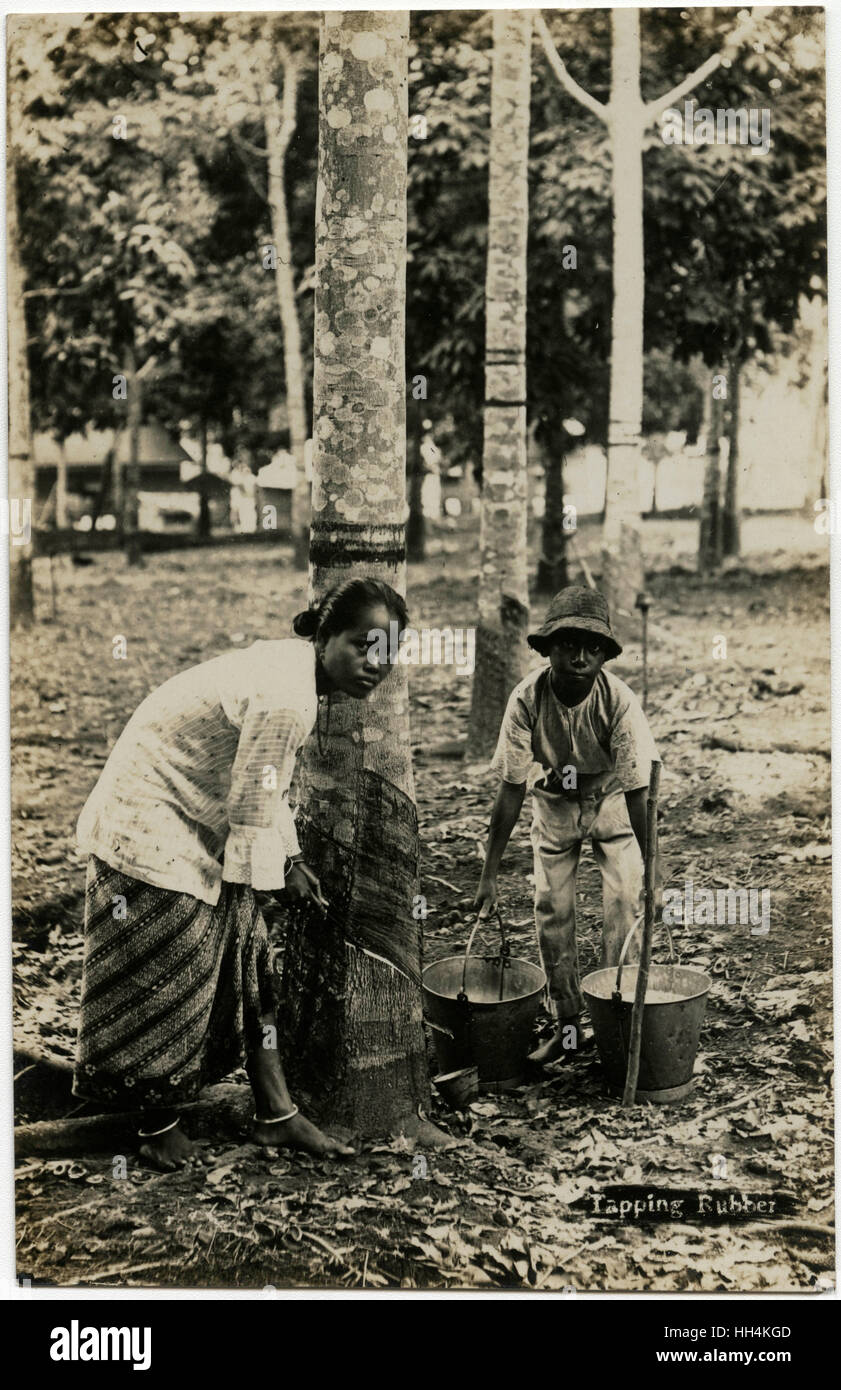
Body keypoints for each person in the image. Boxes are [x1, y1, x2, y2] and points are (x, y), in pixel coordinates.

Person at [73, 576, 408, 1168]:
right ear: (325, 635)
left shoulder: (296, 678)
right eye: (362, 644)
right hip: (148, 819)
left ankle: (277, 1114)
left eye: (387, 651)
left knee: (252, 967)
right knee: (172, 972)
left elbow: (265, 789)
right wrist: (270, 882)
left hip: (195, 819)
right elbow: (252, 805)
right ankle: (157, 1125)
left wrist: (292, 859)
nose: (374, 664)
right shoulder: (288, 698)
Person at [474, 585, 660, 1066]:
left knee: (624, 900)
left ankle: (616, 1020)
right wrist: (489, 873)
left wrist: (655, 869)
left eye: (591, 647)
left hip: (612, 797)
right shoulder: (526, 700)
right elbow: (512, 787)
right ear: (547, 648)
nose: (579, 657)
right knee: (552, 908)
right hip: (555, 800)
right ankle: (569, 1024)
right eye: (567, 644)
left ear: (604, 655)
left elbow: (639, 791)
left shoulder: (618, 702)